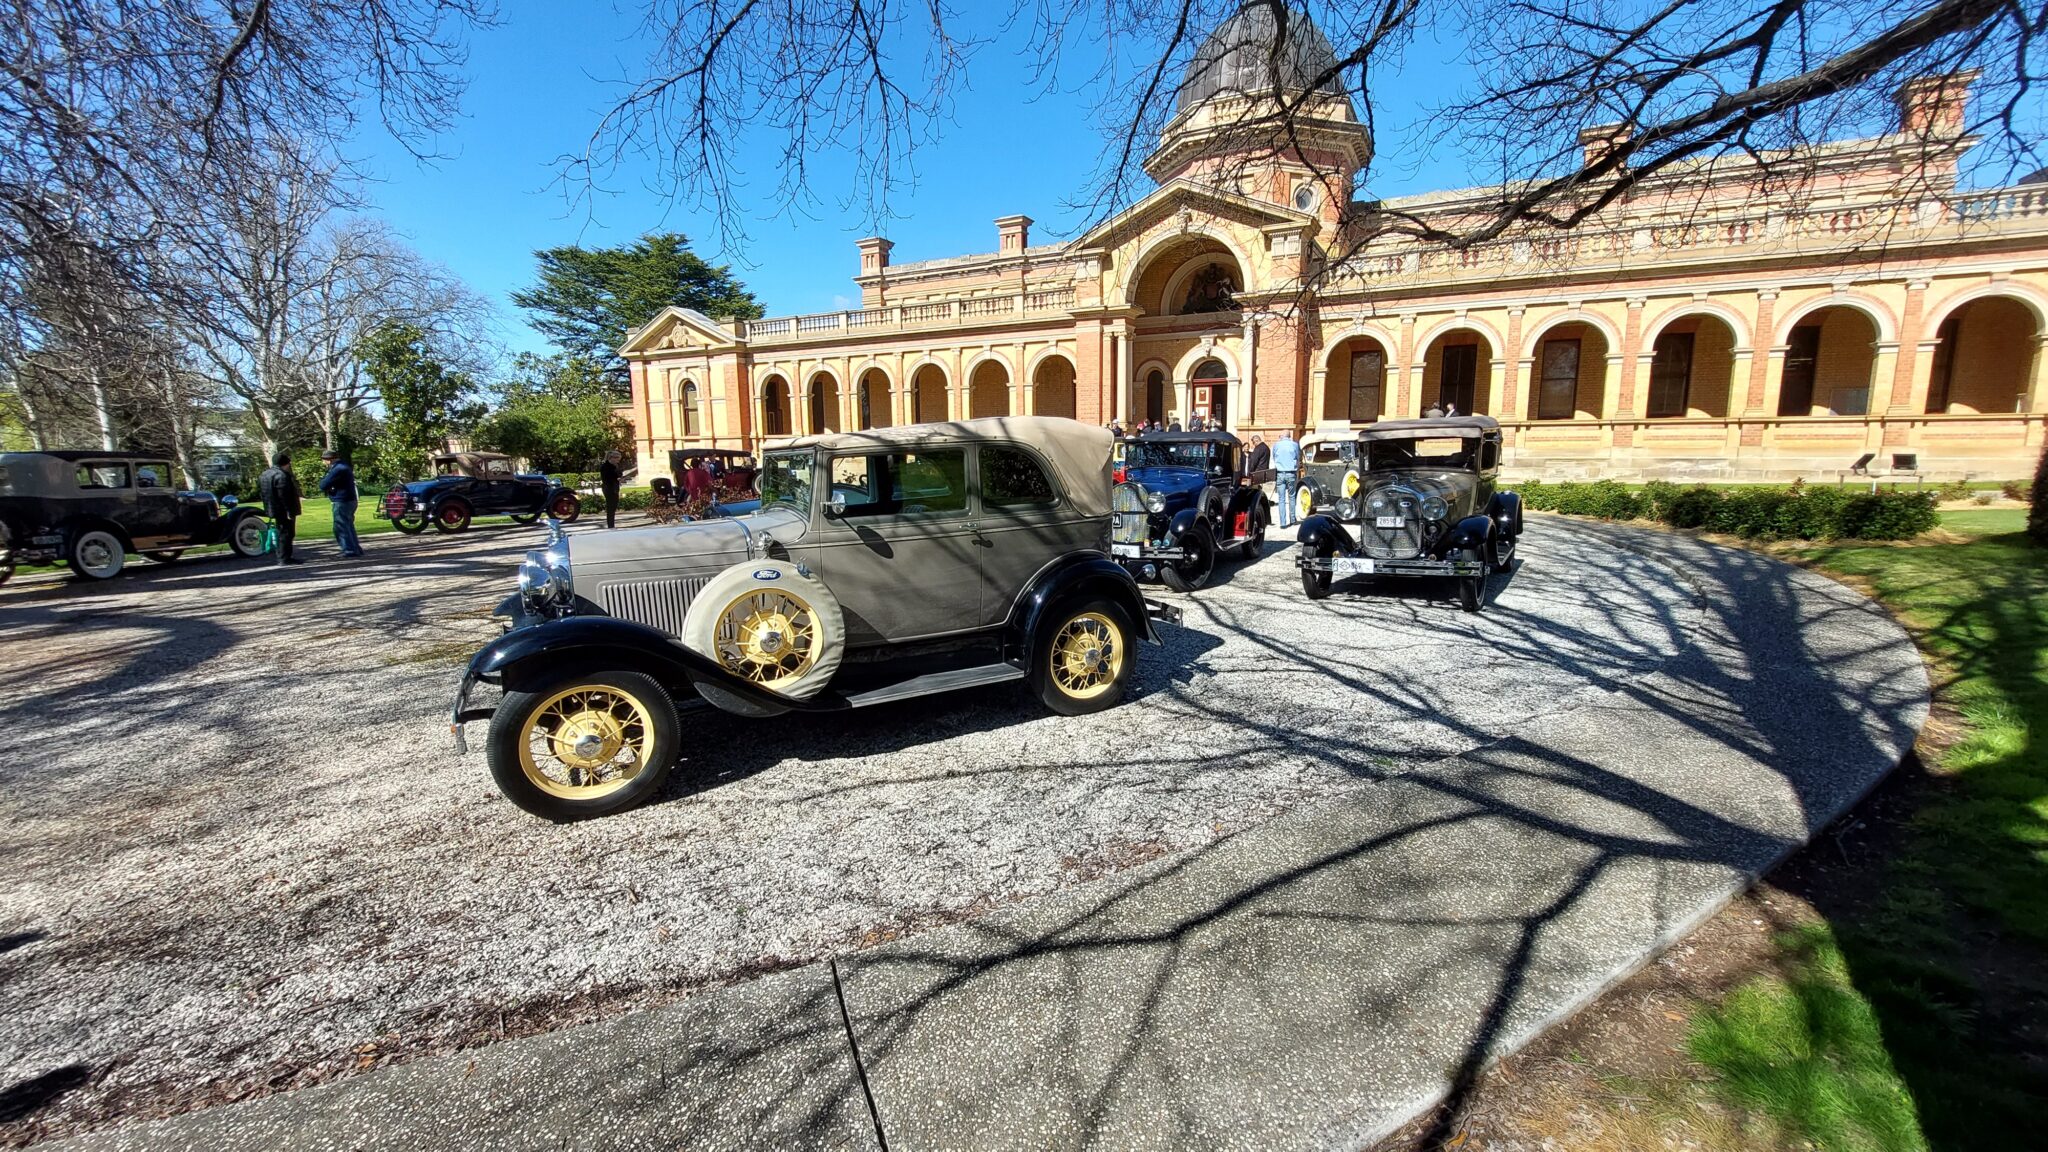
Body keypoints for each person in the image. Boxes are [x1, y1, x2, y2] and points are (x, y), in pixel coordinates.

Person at [258, 451, 303, 565]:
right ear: (285, 463)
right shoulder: (282, 475)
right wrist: (289, 511)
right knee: (287, 533)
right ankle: (284, 557)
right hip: (283, 509)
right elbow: (284, 495)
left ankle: (282, 556)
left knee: (281, 531)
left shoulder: (264, 474)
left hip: (272, 507)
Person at [317, 449, 364, 558]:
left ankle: (349, 550)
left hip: (342, 500)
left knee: (340, 527)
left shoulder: (337, 469)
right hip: (350, 500)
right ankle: (355, 548)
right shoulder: (344, 466)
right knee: (348, 525)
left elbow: (323, 485)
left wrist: (326, 484)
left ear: (329, 460)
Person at [1272, 428, 1301, 529]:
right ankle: (1292, 519)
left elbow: (1274, 457)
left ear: (1282, 436)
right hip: (1291, 473)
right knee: (1292, 496)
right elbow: (1298, 458)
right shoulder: (1294, 445)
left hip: (1280, 473)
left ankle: (1283, 523)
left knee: (1281, 499)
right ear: (1289, 436)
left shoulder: (1276, 445)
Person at [600, 450, 623, 529]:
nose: (618, 461)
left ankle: (611, 524)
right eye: (617, 459)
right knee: (610, 507)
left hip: (614, 487)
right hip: (608, 488)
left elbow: (619, 474)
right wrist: (616, 477)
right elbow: (607, 478)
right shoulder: (605, 467)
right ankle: (611, 525)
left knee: (614, 506)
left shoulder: (615, 466)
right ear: (612, 458)